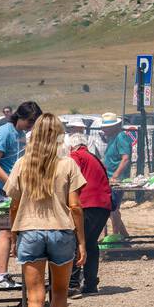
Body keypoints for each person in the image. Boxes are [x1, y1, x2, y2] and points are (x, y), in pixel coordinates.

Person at [5, 114, 85, 307]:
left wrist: (14, 233)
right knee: (60, 292)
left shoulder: (22, 164)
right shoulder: (68, 164)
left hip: (30, 231)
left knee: (35, 298)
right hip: (61, 231)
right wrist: (82, 241)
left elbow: (13, 203)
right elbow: (75, 206)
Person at [0, 101, 42, 289]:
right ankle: (0, 276)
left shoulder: (20, 134)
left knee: (12, 232)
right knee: (6, 232)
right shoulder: (4, 132)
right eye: (30, 121)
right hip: (2, 191)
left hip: (15, 190)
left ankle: (4, 273)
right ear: (21, 117)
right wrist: (10, 182)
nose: (31, 126)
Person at [66, 120, 111, 295]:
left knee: (76, 241)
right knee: (91, 243)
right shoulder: (93, 158)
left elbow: (69, 177)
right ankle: (91, 284)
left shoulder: (76, 156)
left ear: (72, 147)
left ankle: (73, 283)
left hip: (88, 204)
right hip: (103, 206)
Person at [96, 113, 134, 246]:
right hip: (110, 178)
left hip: (117, 179)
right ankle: (123, 235)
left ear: (116, 126)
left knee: (113, 208)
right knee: (112, 208)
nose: (104, 130)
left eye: (108, 127)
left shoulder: (121, 136)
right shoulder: (113, 138)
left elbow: (125, 158)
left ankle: (116, 235)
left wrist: (115, 176)